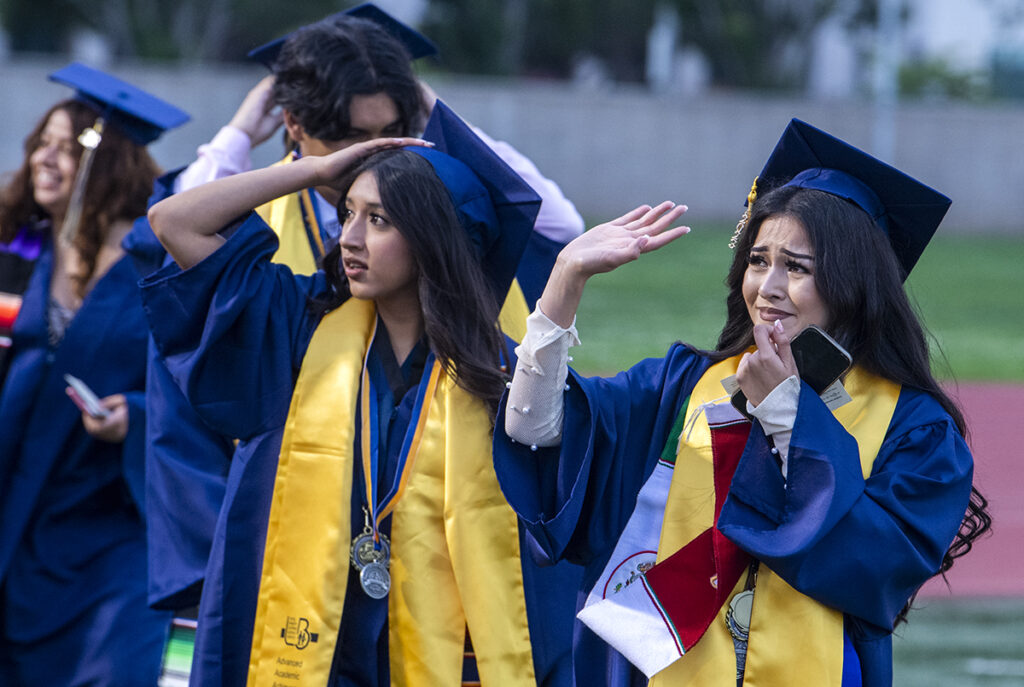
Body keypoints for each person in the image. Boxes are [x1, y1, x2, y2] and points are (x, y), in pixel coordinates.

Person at [496, 118, 991, 686]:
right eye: (758, 260)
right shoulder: (683, 387)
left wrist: (786, 412)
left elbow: (877, 568)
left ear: (853, 281)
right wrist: (563, 285)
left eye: (797, 268)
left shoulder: (913, 427)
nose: (768, 286)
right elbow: (535, 432)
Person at [140, 4, 585, 618]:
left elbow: (555, 224)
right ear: (296, 126)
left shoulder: (481, 326)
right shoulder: (294, 305)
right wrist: (306, 170)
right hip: (299, 560)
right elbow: (172, 221)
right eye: (348, 141)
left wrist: (426, 118)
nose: (368, 153)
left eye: (377, 218)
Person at [0, 62, 189, 685]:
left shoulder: (155, 265)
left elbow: (192, 383)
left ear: (109, 164)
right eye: (40, 145)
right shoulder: (21, 252)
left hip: (111, 514)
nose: (44, 160)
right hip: (25, 506)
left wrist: (134, 411)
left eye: (66, 147)